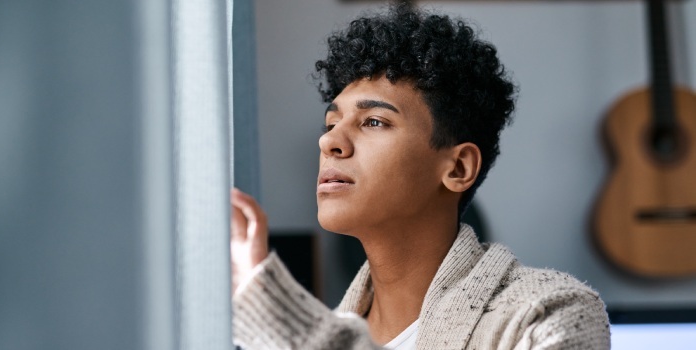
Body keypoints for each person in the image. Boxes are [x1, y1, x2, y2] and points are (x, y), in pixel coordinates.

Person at [230, 4, 610, 349]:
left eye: (374, 121)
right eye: (331, 122)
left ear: (458, 168)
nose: (330, 140)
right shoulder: (320, 329)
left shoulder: (547, 313)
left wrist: (277, 318)